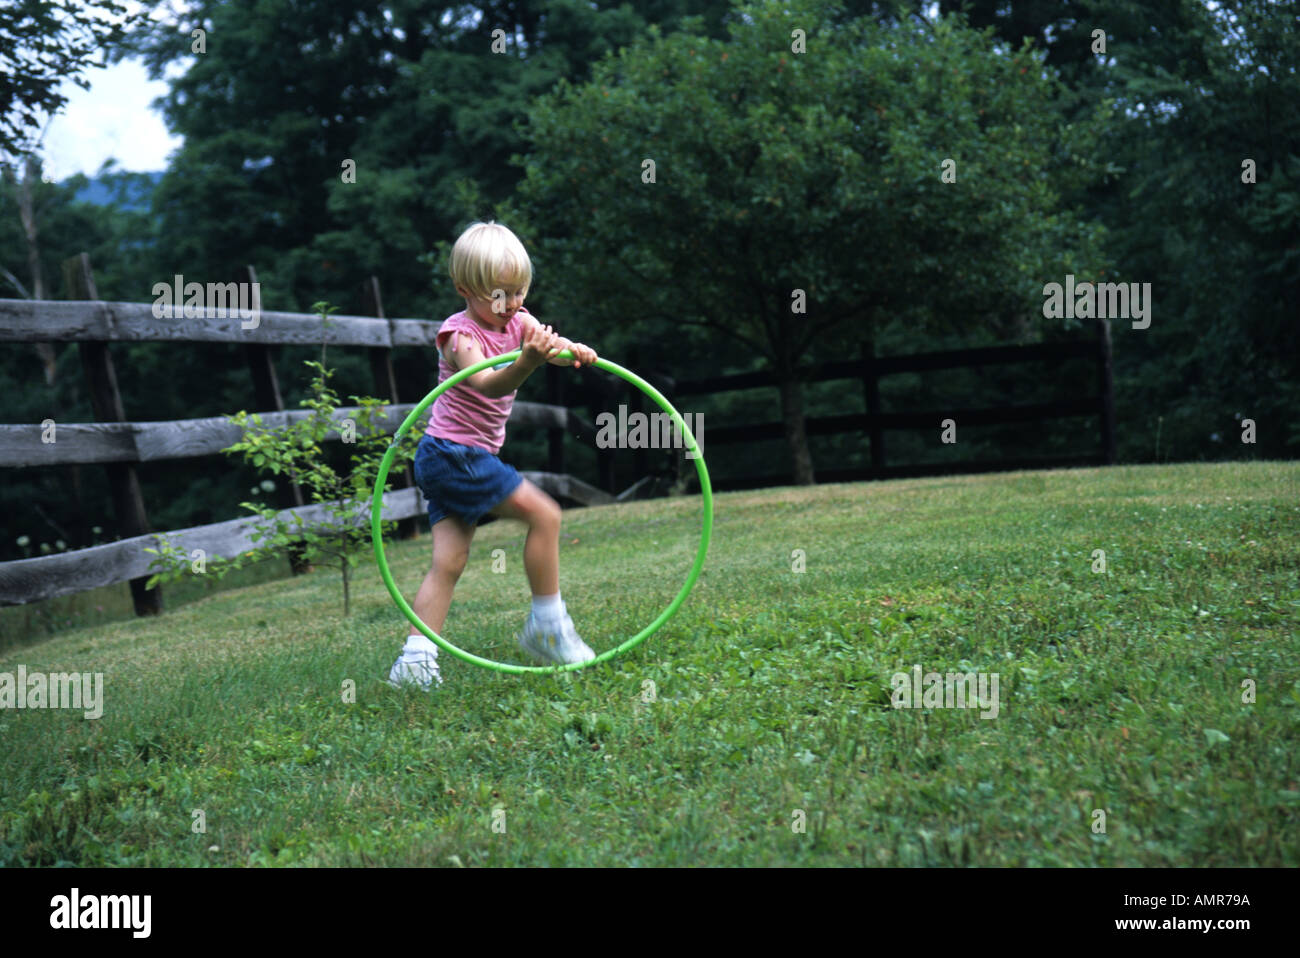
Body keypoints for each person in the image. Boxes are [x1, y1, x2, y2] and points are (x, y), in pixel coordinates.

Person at [389, 221, 599, 690]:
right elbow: (487, 386)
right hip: (452, 454)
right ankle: (546, 627)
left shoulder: (519, 321)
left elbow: (551, 349)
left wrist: (572, 352)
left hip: (458, 456)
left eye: (521, 291)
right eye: (500, 295)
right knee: (545, 516)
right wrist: (527, 361)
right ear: (467, 290)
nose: (514, 303)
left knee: (450, 561)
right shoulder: (458, 337)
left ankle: (414, 662)